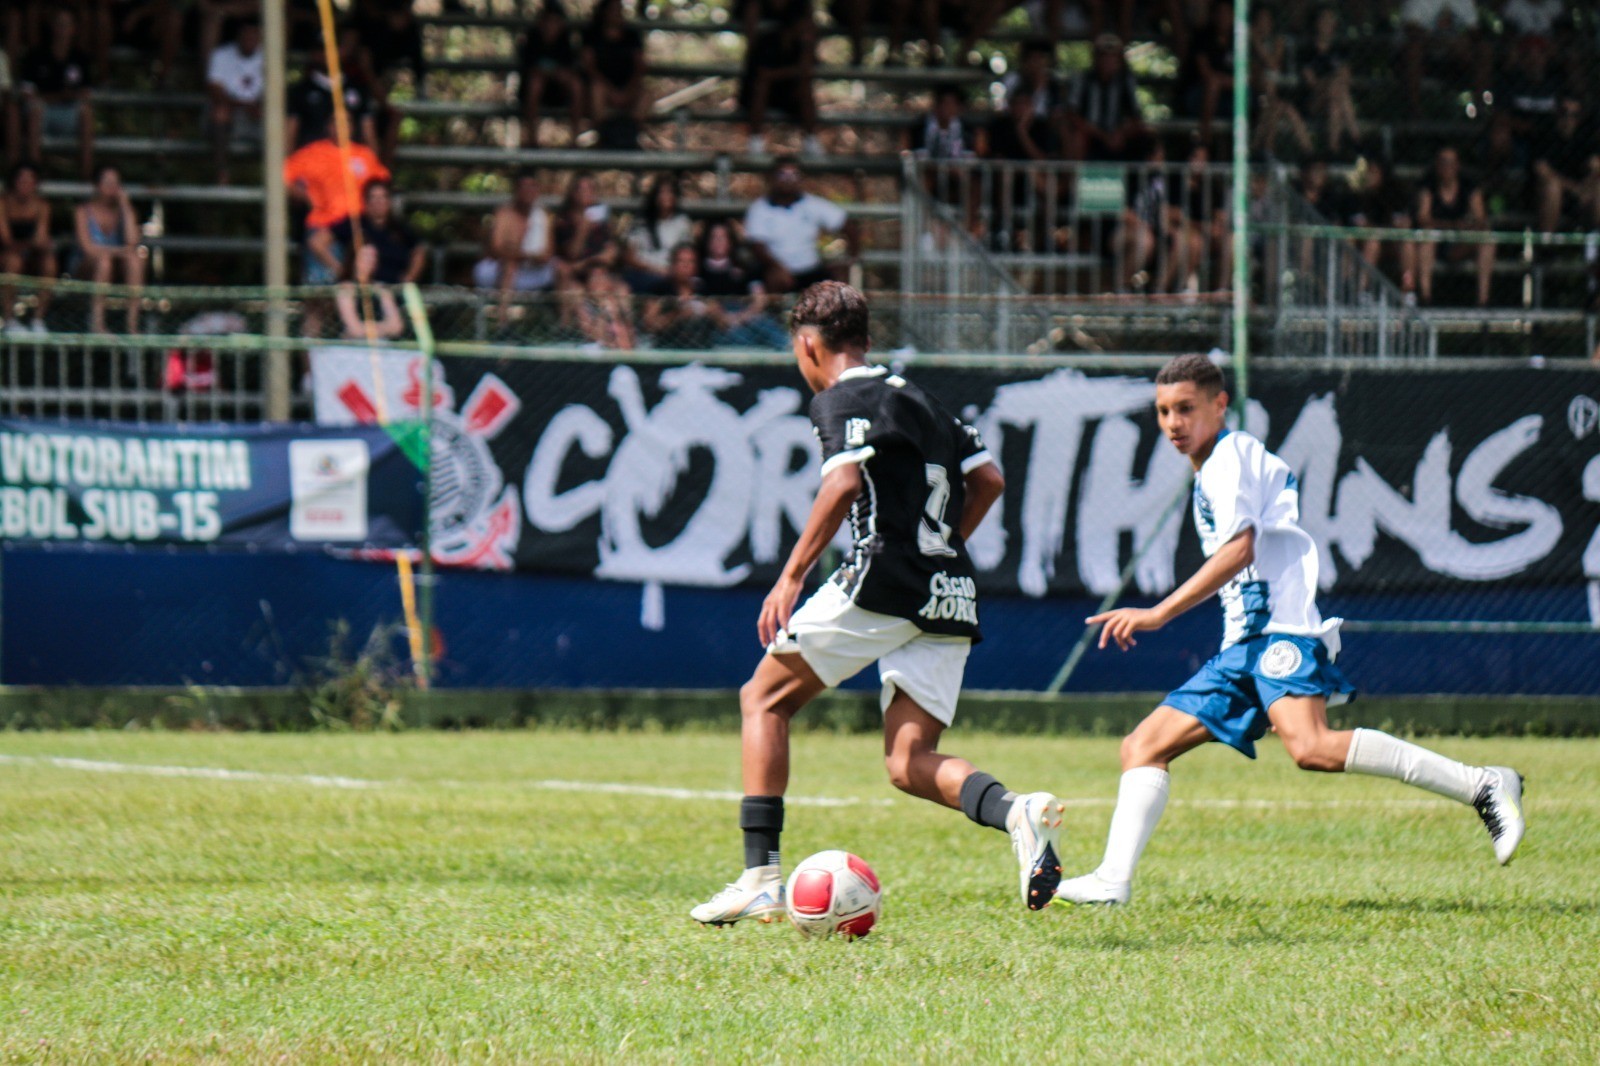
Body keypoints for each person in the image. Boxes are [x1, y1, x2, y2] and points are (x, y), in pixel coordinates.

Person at [1052, 354, 1527, 908]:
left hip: (1277, 632)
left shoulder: (1227, 459)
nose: (1173, 424)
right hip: (1245, 646)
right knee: (1142, 746)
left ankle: (1483, 784)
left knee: (1312, 747)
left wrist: (1157, 614)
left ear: (1219, 404)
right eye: (1162, 412)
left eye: (1185, 408)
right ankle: (1113, 881)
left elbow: (1239, 549)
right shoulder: (1219, 463)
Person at [688, 281, 1066, 926]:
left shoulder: (843, 398)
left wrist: (791, 576)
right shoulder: (922, 400)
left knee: (764, 698)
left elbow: (840, 484)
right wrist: (942, 551)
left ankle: (760, 879)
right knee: (908, 762)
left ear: (809, 345)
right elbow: (990, 479)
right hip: (948, 589)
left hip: (883, 577)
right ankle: (1015, 811)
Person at [317, 178, 426, 340]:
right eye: (373, 198)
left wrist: (409, 278)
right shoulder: (355, 224)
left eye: (383, 197)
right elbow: (318, 242)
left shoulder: (399, 228)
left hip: (392, 291)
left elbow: (420, 249)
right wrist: (341, 270)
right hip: (359, 293)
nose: (378, 202)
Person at [742, 156, 852, 293]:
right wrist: (777, 267)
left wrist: (851, 258)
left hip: (811, 269)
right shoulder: (759, 208)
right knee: (772, 278)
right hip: (776, 270)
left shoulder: (813, 204)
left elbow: (846, 224)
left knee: (835, 279)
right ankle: (775, 313)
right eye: (782, 174)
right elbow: (757, 245)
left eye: (794, 175)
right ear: (771, 178)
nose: (788, 179)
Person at [740, 0, 821, 158]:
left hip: (790, 94)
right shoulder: (768, 44)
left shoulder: (802, 48)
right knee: (761, 87)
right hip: (763, 94)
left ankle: (811, 139)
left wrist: (807, 49)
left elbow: (805, 71)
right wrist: (793, 71)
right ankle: (755, 140)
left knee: (805, 88)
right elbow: (764, 74)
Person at [17, 9, 92, 178]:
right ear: (52, 27)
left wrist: (66, 97)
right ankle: (34, 174)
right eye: (59, 24)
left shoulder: (80, 57)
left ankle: (86, 176)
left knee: (86, 112)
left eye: (67, 25)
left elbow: (86, 93)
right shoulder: (36, 55)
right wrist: (58, 97)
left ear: (74, 29)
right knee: (35, 110)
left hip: (67, 114)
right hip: (43, 112)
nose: (62, 29)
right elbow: (27, 93)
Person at [1416, 146, 1494, 307]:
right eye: (1443, 162)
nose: (1447, 167)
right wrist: (1450, 225)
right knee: (1427, 237)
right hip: (1436, 243)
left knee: (1487, 240)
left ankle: (1483, 301)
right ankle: (1425, 297)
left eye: (1451, 162)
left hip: (1460, 243)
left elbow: (1481, 219)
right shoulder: (1428, 185)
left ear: (1458, 165)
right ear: (1437, 165)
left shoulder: (1469, 186)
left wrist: (1468, 226)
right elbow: (1423, 218)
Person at [474, 169, 556, 314]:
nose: (528, 191)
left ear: (537, 190)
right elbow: (496, 248)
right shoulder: (504, 214)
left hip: (532, 271)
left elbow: (546, 254)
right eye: (524, 187)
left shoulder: (542, 216)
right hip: (498, 272)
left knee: (562, 269)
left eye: (532, 187)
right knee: (510, 265)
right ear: (516, 190)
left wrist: (516, 251)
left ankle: (565, 326)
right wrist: (523, 254)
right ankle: (502, 321)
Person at [74, 163, 144, 334]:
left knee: (135, 260)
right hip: (87, 266)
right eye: (107, 183)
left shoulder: (124, 210)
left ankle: (132, 325)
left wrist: (126, 207)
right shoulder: (82, 211)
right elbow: (88, 248)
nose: (112, 188)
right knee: (104, 262)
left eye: (116, 183)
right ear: (97, 185)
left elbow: (132, 242)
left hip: (117, 267)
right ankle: (97, 325)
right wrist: (119, 251)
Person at [697, 219, 788, 349]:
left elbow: (759, 300)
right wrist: (726, 319)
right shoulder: (701, 270)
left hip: (747, 314)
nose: (718, 241)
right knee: (739, 337)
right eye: (714, 237)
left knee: (768, 326)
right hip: (720, 321)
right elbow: (705, 301)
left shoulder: (745, 267)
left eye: (723, 237)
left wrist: (742, 317)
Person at [1065, 34, 1145, 162]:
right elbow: (1072, 114)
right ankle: (1074, 180)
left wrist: (1121, 133)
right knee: (1076, 138)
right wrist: (1102, 135)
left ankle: (1149, 180)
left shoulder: (1125, 81)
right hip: (1090, 134)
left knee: (1147, 137)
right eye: (1104, 56)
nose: (1108, 61)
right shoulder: (1082, 79)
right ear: (1096, 58)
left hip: (1118, 134)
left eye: (1113, 56)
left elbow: (1136, 116)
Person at [580, 0, 646, 148]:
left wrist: (628, 89)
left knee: (644, 94)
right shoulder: (592, 34)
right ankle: (604, 136)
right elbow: (589, 65)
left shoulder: (631, 34)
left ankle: (631, 136)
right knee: (597, 90)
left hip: (626, 84)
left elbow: (639, 65)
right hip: (602, 84)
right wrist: (611, 91)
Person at [286, 45, 377, 151]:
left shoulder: (358, 89)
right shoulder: (301, 90)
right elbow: (290, 136)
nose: (328, 56)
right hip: (311, 161)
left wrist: (372, 164)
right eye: (323, 50)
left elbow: (369, 136)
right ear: (315, 54)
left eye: (333, 50)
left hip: (349, 161)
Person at [519, 0, 584, 149]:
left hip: (559, 92)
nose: (551, 26)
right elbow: (529, 67)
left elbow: (571, 67)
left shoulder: (566, 41)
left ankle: (575, 139)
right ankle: (532, 139)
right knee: (535, 83)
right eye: (548, 21)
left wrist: (560, 74)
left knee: (576, 84)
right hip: (535, 91)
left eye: (555, 21)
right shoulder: (531, 39)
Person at [206, 19, 264, 185]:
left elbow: (275, 91)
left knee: (281, 120)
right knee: (220, 112)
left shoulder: (269, 57)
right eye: (246, 35)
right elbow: (215, 91)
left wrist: (259, 108)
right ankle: (221, 171)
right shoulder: (221, 55)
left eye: (254, 36)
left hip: (257, 115)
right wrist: (245, 106)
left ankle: (280, 178)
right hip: (231, 115)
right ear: (238, 36)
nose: (249, 39)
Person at [0, 160, 56, 332]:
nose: (26, 185)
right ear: (13, 182)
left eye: (30, 180)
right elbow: (6, 239)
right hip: (7, 254)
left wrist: (38, 244)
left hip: (31, 255)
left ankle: (38, 320)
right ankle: (9, 319)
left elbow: (41, 237)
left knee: (49, 264)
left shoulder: (42, 206)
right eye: (22, 180)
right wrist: (31, 244)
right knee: (13, 262)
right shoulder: (3, 203)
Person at [1296, 6, 1359, 157]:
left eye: (1331, 20)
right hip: (1313, 102)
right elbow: (1311, 83)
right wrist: (1331, 81)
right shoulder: (1307, 50)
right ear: (1317, 23)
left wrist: (1332, 81)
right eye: (1324, 20)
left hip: (1334, 99)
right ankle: (1357, 139)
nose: (1328, 24)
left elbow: (1347, 78)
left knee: (1335, 105)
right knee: (1335, 86)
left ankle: (1333, 151)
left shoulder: (1340, 49)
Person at [622, 171, 693, 292]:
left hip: (670, 278)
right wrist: (653, 269)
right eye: (662, 192)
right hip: (642, 274)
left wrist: (673, 271)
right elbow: (628, 256)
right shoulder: (641, 222)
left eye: (669, 192)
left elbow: (686, 254)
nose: (665, 196)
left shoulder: (682, 223)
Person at [641, 242, 718, 349]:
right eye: (681, 261)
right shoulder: (659, 289)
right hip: (669, 349)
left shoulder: (703, 289)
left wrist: (713, 313)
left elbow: (723, 323)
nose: (686, 266)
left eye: (690, 262)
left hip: (701, 349)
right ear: (673, 264)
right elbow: (649, 325)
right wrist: (677, 316)